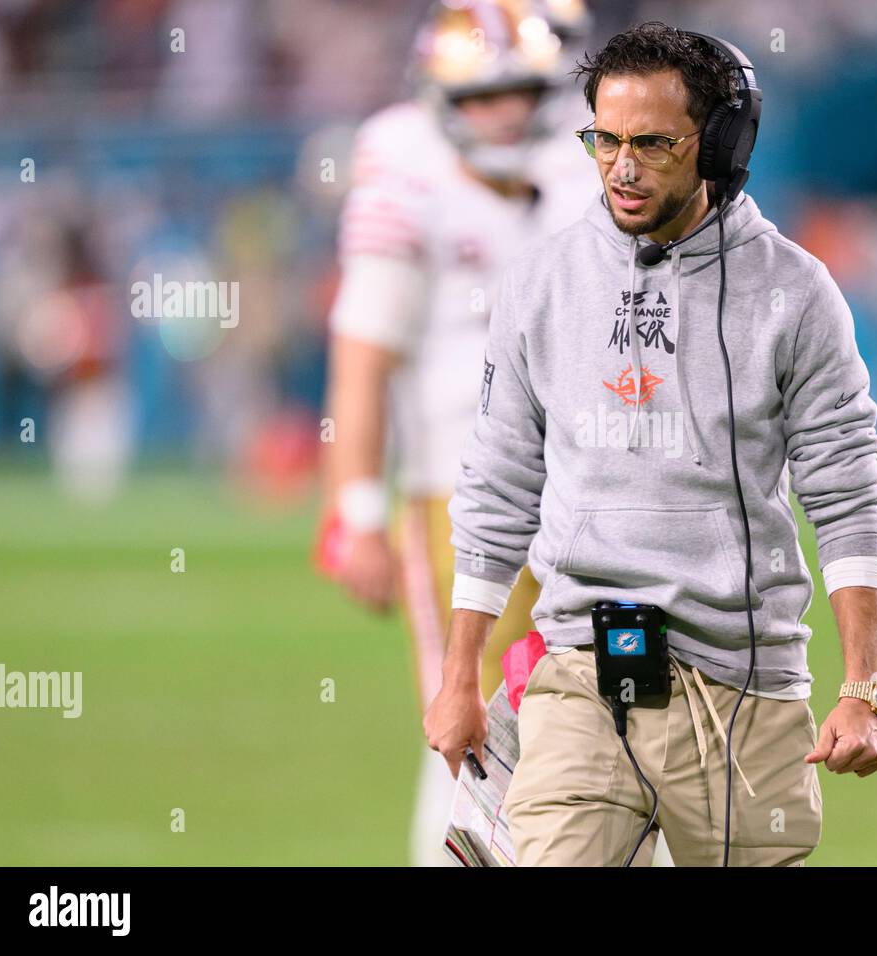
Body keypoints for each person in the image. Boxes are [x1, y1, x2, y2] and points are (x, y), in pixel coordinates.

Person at [426, 21, 877, 867]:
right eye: (603, 139)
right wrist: (462, 674)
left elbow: (845, 493)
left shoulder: (796, 294)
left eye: (652, 142)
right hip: (580, 675)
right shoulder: (540, 282)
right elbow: (498, 483)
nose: (622, 166)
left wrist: (864, 688)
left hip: (744, 687)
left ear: (720, 144)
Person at [317, 0, 599, 867]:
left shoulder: (586, 161)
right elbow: (363, 354)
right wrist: (355, 508)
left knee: (601, 710)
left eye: (520, 89)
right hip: (459, 495)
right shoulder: (404, 163)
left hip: (594, 493)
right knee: (470, 721)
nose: (506, 112)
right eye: (483, 95)